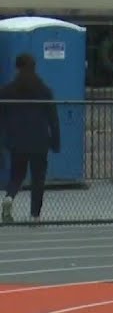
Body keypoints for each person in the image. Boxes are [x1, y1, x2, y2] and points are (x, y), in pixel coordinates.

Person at [0, 53, 60, 224]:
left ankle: (9, 198)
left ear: (16, 68)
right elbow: (52, 118)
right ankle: (35, 215)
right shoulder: (44, 90)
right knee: (38, 178)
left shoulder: (7, 91)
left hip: (16, 140)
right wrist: (55, 141)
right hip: (39, 139)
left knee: (16, 175)